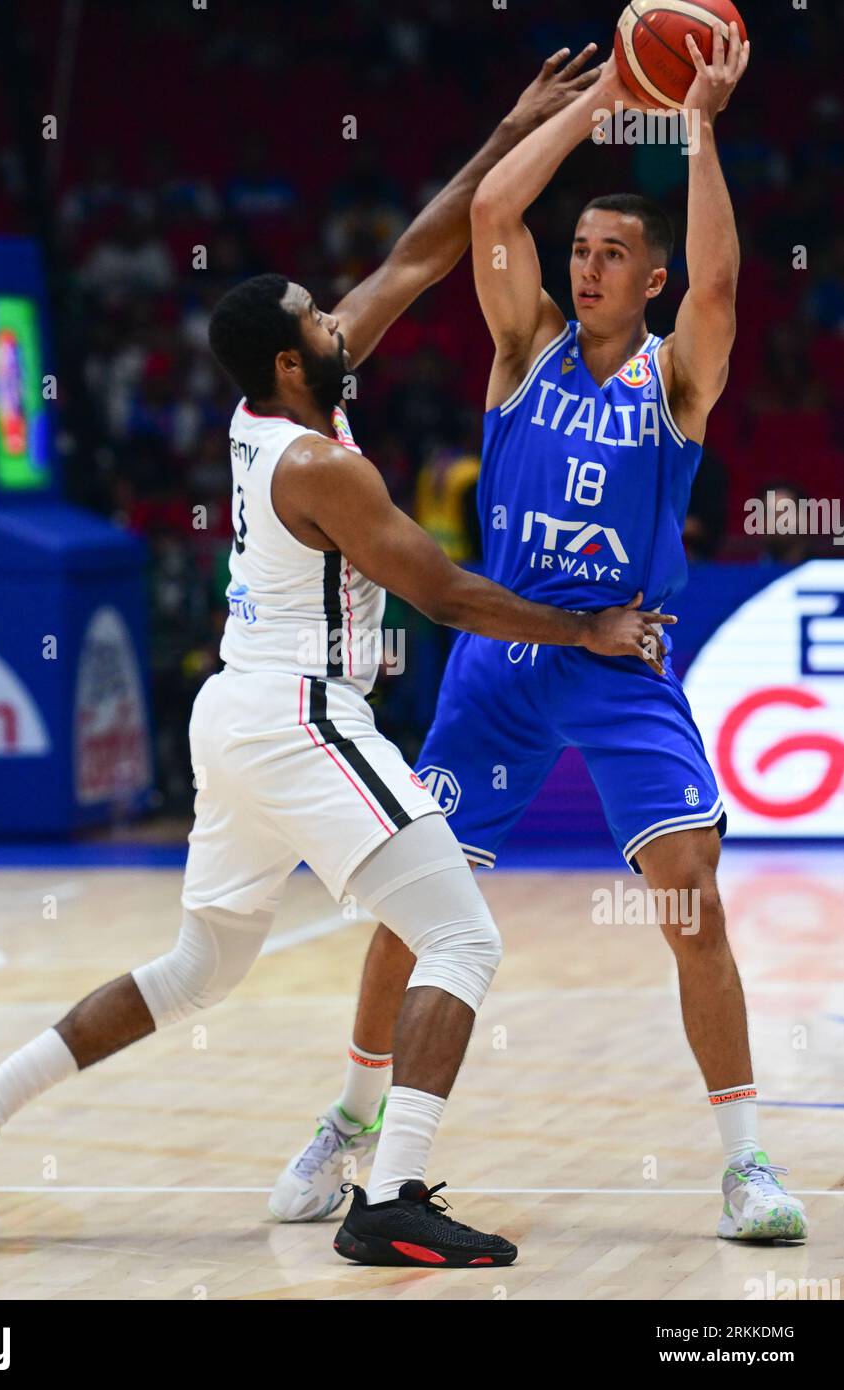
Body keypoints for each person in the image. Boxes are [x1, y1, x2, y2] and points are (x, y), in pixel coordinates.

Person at [0, 49, 669, 1271]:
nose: (339, 315)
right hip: (299, 717)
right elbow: (447, 590)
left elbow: (417, 256)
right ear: (285, 359)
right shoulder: (321, 465)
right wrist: (586, 629)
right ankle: (393, 1194)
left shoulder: (294, 401)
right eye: (321, 317)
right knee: (463, 940)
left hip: (239, 714)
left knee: (198, 966)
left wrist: (513, 131)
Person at [273, 27, 808, 1246]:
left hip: (620, 662)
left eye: (613, 253)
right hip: (504, 660)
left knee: (691, 897)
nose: (586, 267)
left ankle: (742, 1164)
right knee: (417, 904)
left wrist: (700, 130)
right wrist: (595, 104)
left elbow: (724, 290)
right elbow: (492, 213)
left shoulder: (674, 382)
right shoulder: (522, 352)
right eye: (578, 249)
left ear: (652, 278)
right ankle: (352, 1123)